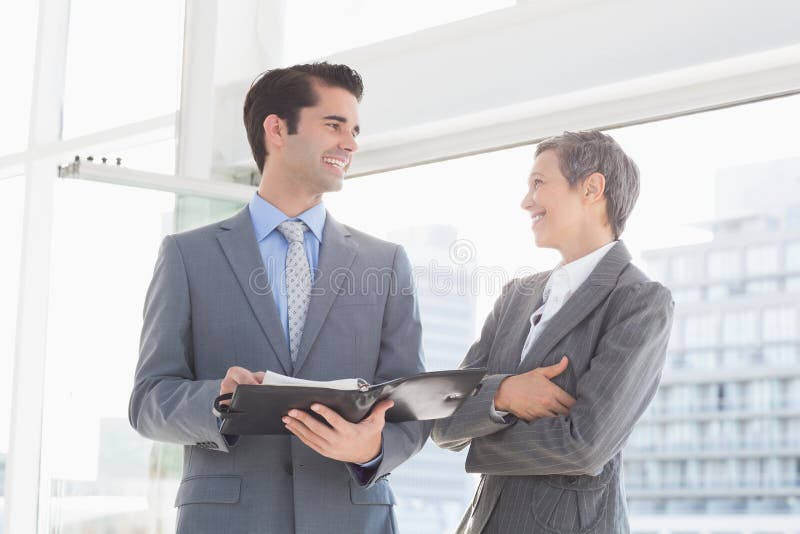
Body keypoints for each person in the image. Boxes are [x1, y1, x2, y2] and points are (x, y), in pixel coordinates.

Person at [129, 62, 428, 533]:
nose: (350, 143)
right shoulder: (188, 256)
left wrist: (369, 450)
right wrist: (217, 400)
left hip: (351, 518)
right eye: (333, 125)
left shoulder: (385, 262)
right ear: (277, 130)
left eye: (354, 130)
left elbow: (412, 402)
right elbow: (148, 402)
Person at [432, 131, 673, 533]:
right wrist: (505, 394)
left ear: (592, 188)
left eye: (539, 183)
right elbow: (443, 422)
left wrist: (479, 439)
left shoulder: (639, 301)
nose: (526, 201)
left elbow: (584, 446)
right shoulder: (517, 296)